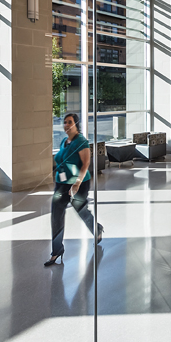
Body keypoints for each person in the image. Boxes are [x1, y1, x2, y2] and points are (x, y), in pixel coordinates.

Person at [45, 112, 103, 266]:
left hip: (79, 183)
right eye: (64, 122)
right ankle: (56, 251)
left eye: (69, 122)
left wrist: (77, 183)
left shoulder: (82, 142)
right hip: (62, 183)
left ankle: (97, 229)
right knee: (56, 214)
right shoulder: (64, 141)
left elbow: (85, 164)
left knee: (81, 210)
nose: (66, 125)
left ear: (76, 125)